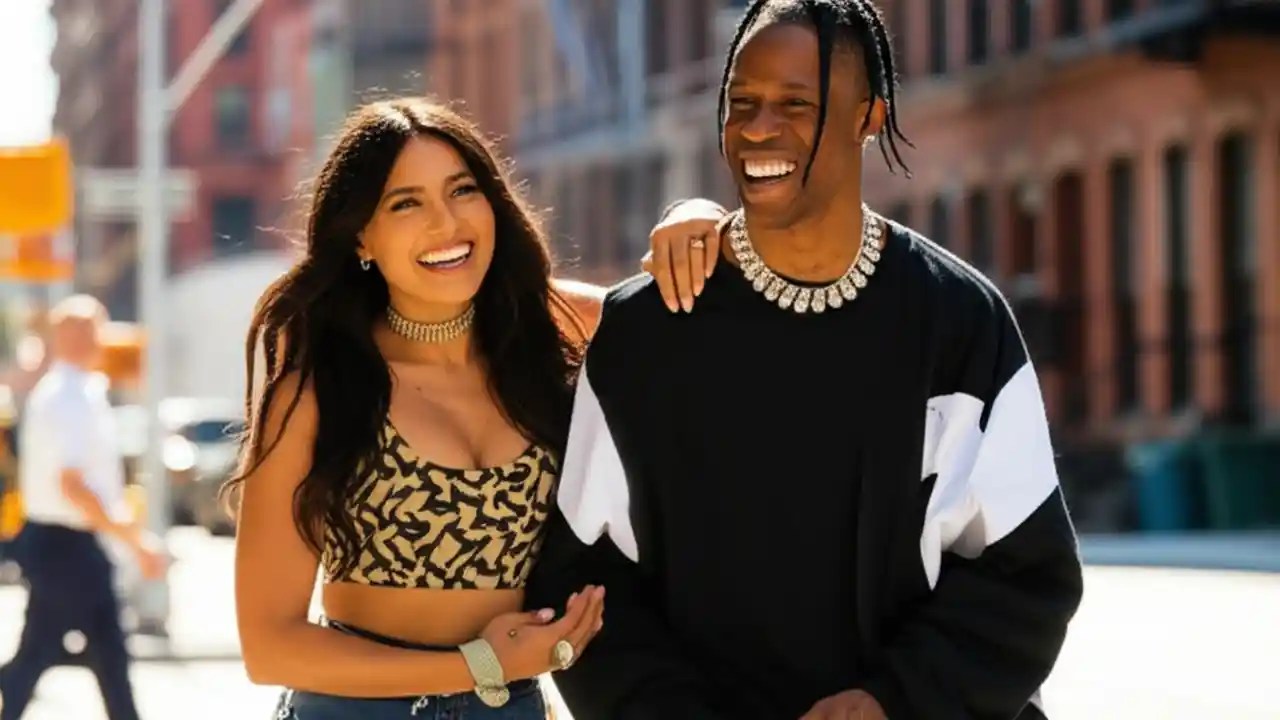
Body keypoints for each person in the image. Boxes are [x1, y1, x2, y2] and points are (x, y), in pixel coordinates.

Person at [526, 1, 1086, 718]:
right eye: (743, 102)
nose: (760, 128)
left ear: (868, 116)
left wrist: (893, 700)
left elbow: (1024, 573)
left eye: (797, 104)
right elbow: (584, 577)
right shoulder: (649, 334)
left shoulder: (957, 324)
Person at [227, 97, 727, 719]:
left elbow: (704, 315)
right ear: (362, 235)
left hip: (511, 707)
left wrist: (696, 214)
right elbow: (269, 647)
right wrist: (477, 666)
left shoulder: (561, 331)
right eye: (405, 202)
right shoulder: (320, 387)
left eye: (462, 191)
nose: (446, 223)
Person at [0, 295, 166, 720]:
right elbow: (73, 485)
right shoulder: (66, 397)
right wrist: (134, 541)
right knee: (40, 655)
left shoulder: (82, 391)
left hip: (69, 544)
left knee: (106, 655)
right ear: (78, 337)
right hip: (65, 545)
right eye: (96, 330)